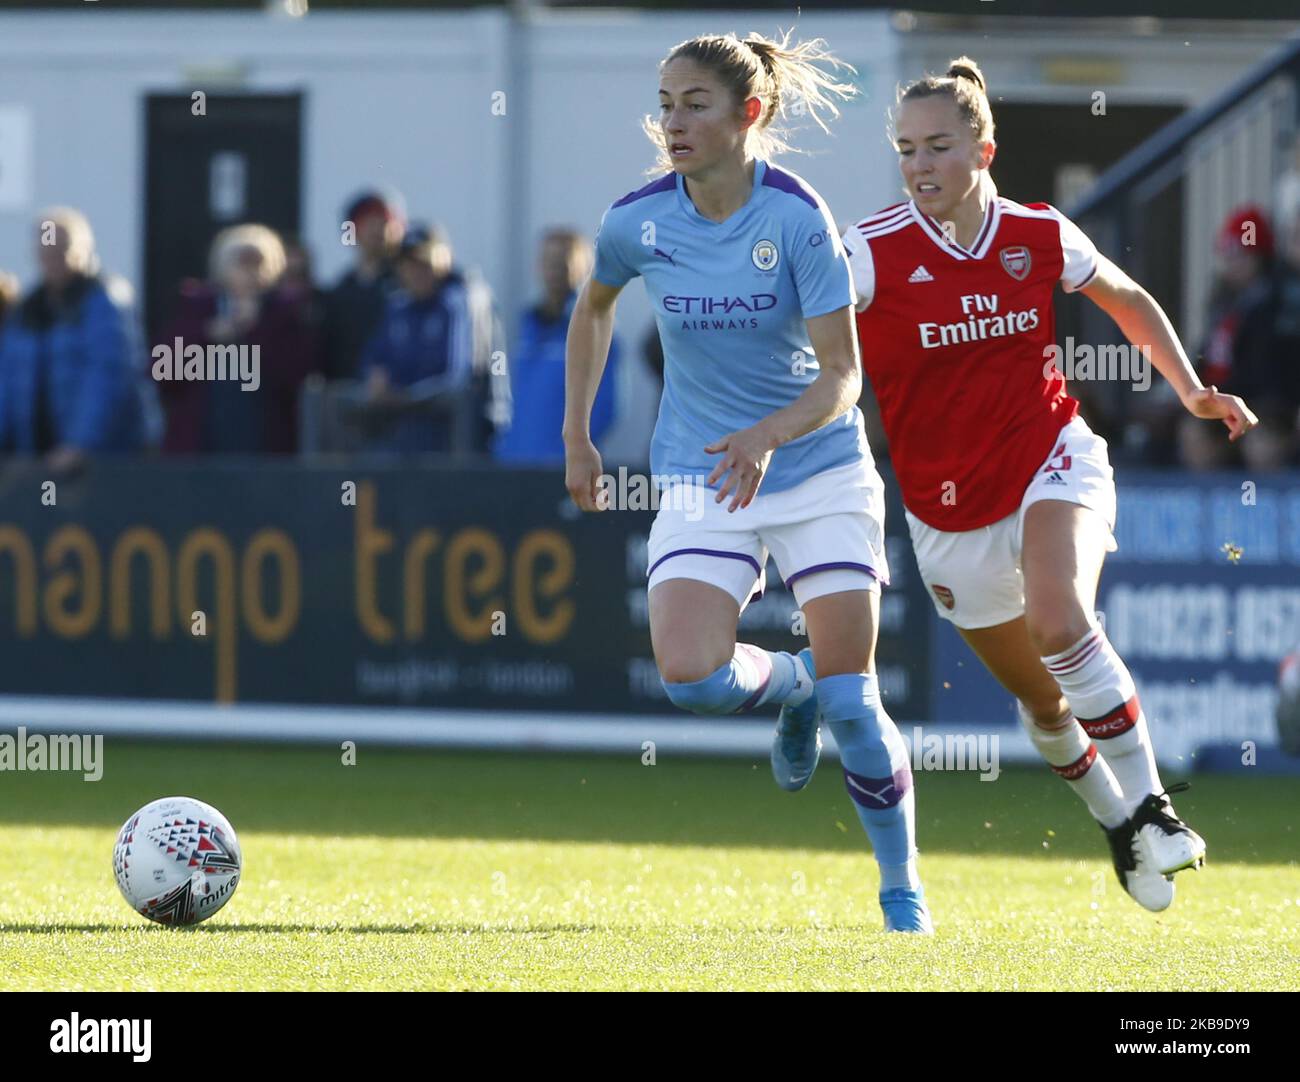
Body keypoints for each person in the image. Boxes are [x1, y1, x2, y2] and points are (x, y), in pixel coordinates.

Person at [842, 58, 1258, 912]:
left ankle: (1156, 809)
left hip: (1051, 455)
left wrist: (1190, 388)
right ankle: (1120, 823)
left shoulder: (1038, 234)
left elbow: (1126, 295)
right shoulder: (870, 254)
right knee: (1041, 698)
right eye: (907, 150)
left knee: (1062, 618)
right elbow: (794, 330)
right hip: (946, 515)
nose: (920, 165)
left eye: (940, 147)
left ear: (984, 149)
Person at [564, 30, 931, 933]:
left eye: (694, 105)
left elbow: (844, 375)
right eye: (666, 104)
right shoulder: (637, 219)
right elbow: (595, 305)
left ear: (748, 115)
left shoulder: (799, 219)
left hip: (818, 466)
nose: (673, 123)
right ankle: (791, 685)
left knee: (858, 698)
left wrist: (769, 434)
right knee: (690, 678)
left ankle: (901, 893)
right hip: (699, 468)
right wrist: (576, 435)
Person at [0, 208, 148, 467]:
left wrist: (80, 445)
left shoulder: (105, 301)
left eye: (61, 251)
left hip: (98, 463)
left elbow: (108, 376)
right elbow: (8, 381)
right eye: (46, 251)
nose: (53, 260)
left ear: (83, 249)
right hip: (37, 460)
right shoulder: (28, 310)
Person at [156, 223, 318, 454]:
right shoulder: (195, 309)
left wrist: (254, 331)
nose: (251, 274)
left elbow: (297, 377)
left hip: (264, 446)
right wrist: (206, 336)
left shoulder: (285, 314)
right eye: (242, 264)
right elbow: (163, 374)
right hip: (201, 447)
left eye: (258, 264)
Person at [495, 228, 619, 464]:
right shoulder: (524, 326)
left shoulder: (598, 328)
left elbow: (607, 406)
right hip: (512, 465)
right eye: (548, 262)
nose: (555, 271)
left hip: (564, 468)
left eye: (564, 262)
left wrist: (574, 451)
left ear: (584, 267)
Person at [321, 189, 404, 381]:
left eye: (385, 220)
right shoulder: (340, 290)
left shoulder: (410, 285)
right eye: (368, 221)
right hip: (349, 397)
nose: (378, 229)